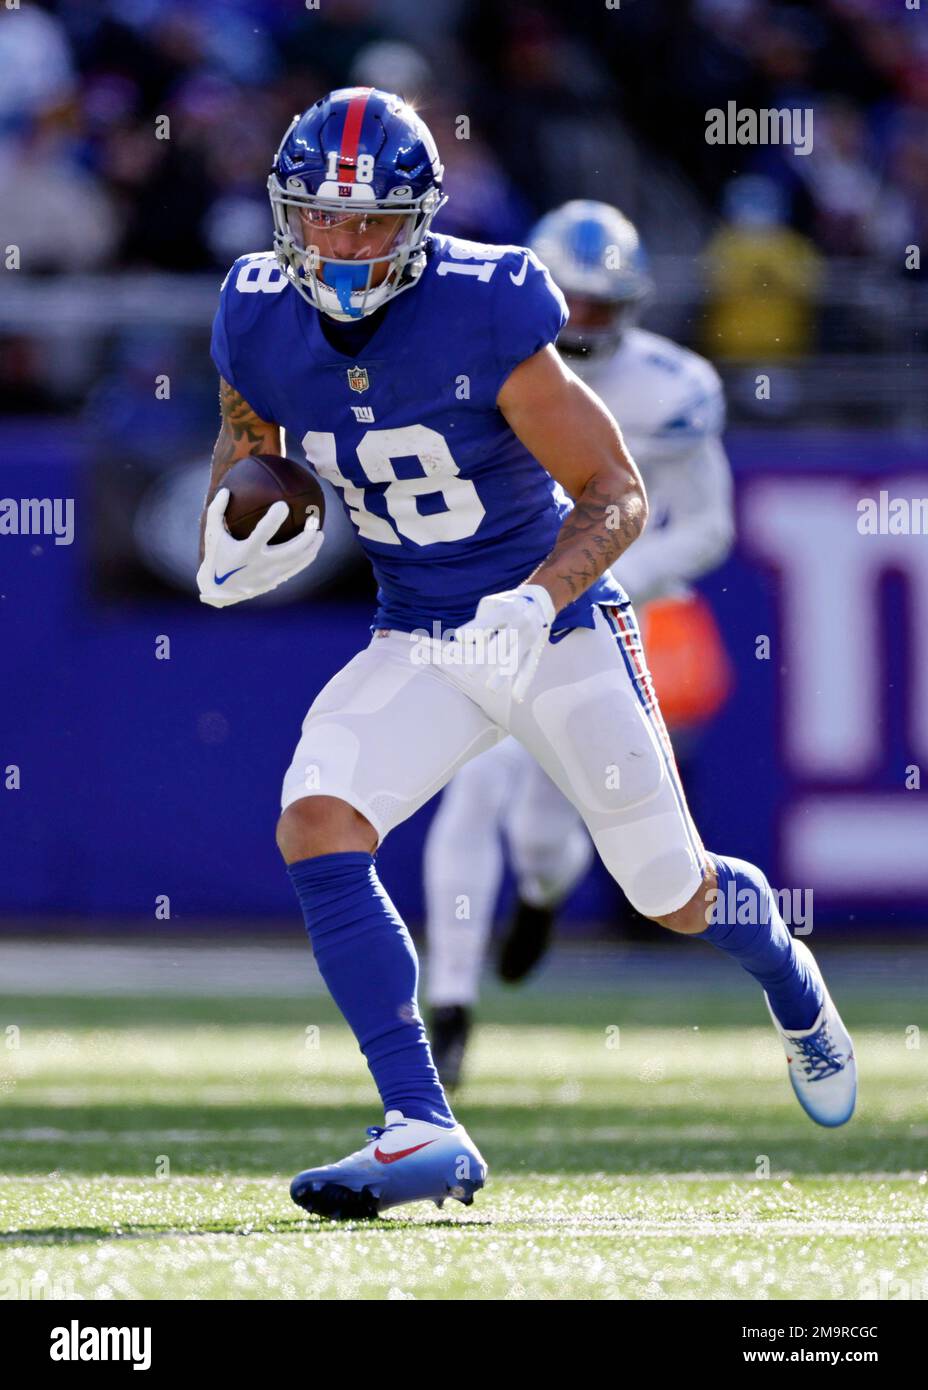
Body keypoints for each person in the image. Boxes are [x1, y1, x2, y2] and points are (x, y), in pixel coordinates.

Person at [196, 88, 856, 1222]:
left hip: (550, 625)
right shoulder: (254, 312)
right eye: (319, 218)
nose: (342, 245)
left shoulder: (481, 303)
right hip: (417, 630)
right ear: (283, 215)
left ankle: (793, 988)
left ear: (419, 220)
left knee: (670, 890)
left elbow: (616, 491)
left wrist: (537, 595)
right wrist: (231, 538)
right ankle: (421, 1122)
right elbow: (246, 455)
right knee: (317, 815)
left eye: (369, 223)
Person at [424, 201, 736, 1087]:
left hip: (600, 619)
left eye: (603, 306)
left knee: (549, 830)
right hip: (497, 610)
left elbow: (709, 527)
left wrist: (598, 577)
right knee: (474, 789)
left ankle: (539, 897)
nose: (588, 321)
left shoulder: (671, 388)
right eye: (576, 302)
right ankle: (449, 1004)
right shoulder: (481, 362)